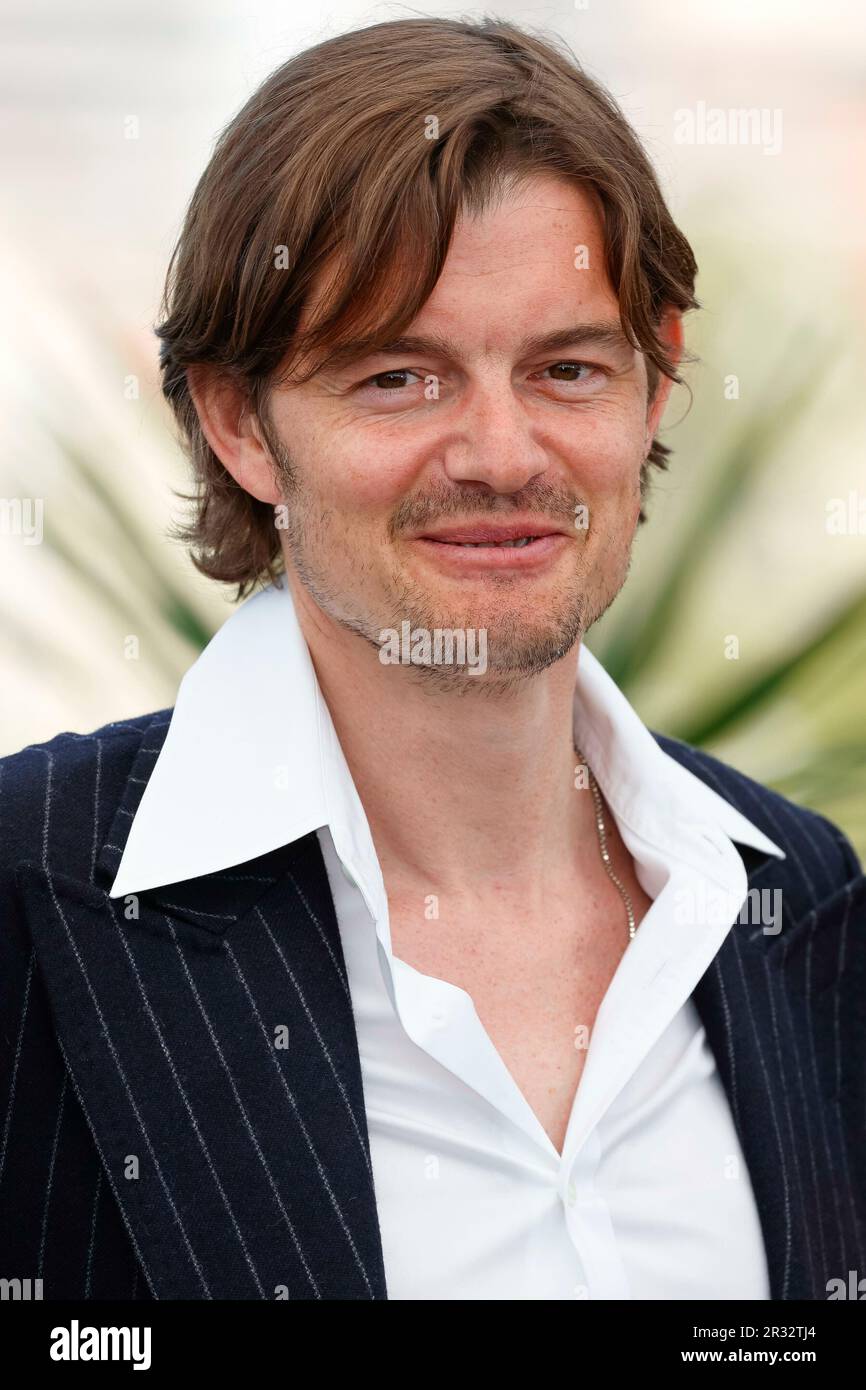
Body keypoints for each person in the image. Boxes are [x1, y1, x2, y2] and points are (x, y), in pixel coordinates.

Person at [1, 16, 863, 1302]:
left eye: (566, 368)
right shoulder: (28, 896)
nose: (501, 454)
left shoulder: (797, 892)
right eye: (400, 377)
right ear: (238, 422)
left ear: (654, 387)